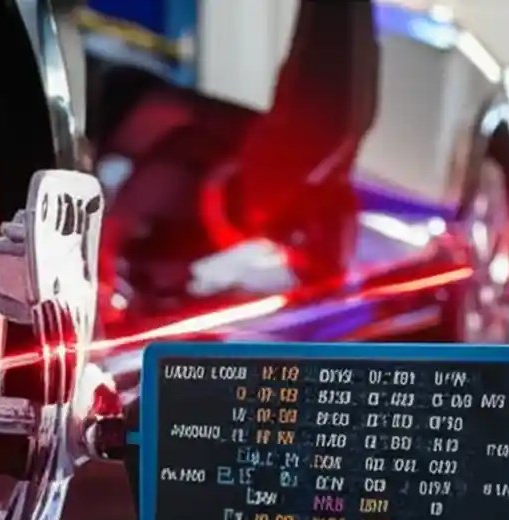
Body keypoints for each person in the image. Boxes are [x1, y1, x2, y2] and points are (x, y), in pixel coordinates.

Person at [99, 0, 382, 307]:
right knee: (326, 136)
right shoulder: (298, 168)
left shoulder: (164, 233)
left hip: (106, 113)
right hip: (117, 110)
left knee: (325, 137)